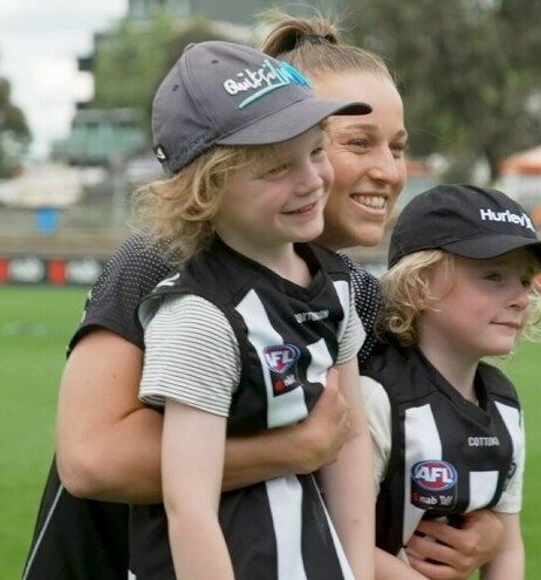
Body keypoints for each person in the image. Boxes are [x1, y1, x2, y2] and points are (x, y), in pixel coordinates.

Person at [24, 16, 504, 580]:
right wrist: (292, 449)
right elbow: (91, 460)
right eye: (358, 143)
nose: (388, 170)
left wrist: (487, 525)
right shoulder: (165, 261)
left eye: (397, 147)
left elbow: (411, 435)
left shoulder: (354, 296)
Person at [127, 39, 375, 579]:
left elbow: (350, 438)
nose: (312, 180)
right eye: (276, 169)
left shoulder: (334, 285)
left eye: (315, 151)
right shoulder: (199, 317)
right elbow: (187, 506)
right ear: (206, 189)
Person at [362, 184, 541, 579]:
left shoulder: (503, 404)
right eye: (494, 276)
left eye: (526, 281)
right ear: (418, 284)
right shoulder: (377, 397)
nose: (520, 298)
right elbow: (338, 539)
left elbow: (507, 543)